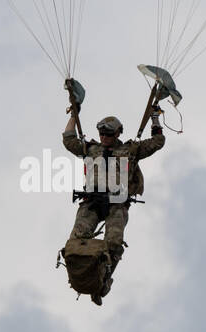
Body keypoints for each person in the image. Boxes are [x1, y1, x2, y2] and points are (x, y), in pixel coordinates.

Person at [62, 101, 166, 304]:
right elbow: (68, 140)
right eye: (101, 134)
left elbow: (158, 141)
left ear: (117, 134)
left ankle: (102, 281)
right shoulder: (91, 149)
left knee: (114, 242)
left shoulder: (130, 150)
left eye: (108, 135)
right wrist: (74, 115)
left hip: (117, 203)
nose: (103, 138)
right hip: (92, 202)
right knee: (77, 240)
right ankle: (84, 277)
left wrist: (155, 118)